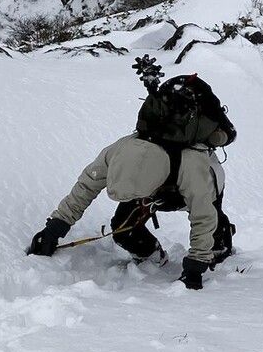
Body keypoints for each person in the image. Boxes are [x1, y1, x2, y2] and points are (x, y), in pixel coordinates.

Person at [25, 75, 236, 290]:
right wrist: (53, 230)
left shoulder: (191, 168)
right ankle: (152, 257)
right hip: (158, 188)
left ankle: (223, 240)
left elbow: (203, 215)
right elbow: (86, 187)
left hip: (202, 184)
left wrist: (195, 267)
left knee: (212, 228)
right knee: (123, 229)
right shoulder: (118, 151)